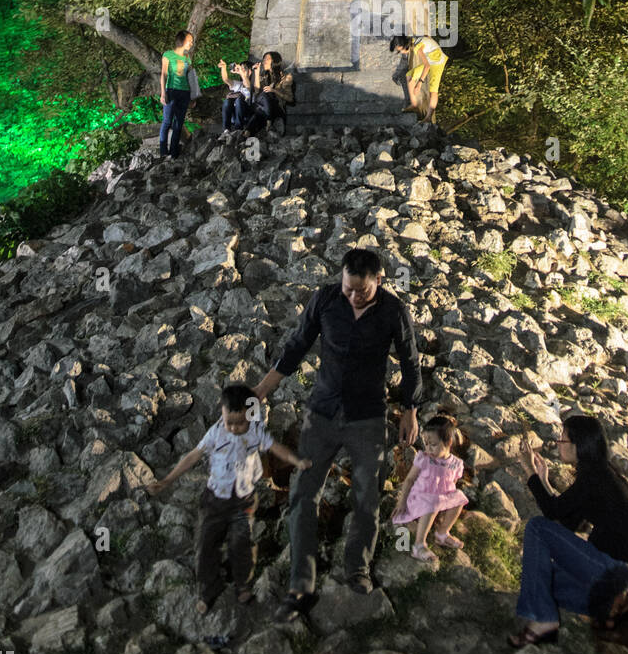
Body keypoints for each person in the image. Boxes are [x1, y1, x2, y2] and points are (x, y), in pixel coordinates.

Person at [250, 248, 422, 619]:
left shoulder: (394, 311)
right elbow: (296, 346)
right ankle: (301, 582)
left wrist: (410, 410)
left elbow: (410, 361)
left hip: (367, 418)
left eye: (362, 291)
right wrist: (260, 392)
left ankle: (357, 569)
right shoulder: (326, 299)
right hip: (322, 413)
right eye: (348, 289)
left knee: (366, 497)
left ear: (379, 280)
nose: (353, 296)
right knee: (303, 494)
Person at [147, 383, 310, 614]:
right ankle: (207, 590)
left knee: (241, 543)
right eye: (228, 422)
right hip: (214, 499)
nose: (233, 428)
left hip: (243, 501)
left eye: (239, 422)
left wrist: (297, 461)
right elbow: (193, 456)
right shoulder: (215, 432)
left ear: (248, 414)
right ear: (221, 413)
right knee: (205, 544)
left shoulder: (255, 432)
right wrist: (167, 480)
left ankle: (242, 583)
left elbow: (277, 449)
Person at [509, 415, 628, 648]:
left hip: (610, 568)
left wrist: (530, 471)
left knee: (537, 528)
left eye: (563, 438)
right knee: (540, 580)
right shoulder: (597, 473)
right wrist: (544, 481)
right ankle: (610, 606)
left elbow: (550, 513)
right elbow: (567, 521)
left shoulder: (595, 477)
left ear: (579, 444)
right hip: (612, 575)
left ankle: (544, 620)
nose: (558, 442)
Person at [392, 412, 469, 563]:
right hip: (420, 497)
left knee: (460, 497)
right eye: (426, 443)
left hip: (441, 498)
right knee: (432, 503)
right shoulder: (424, 459)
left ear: (448, 443)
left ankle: (442, 533)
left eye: (433, 444)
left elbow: (450, 483)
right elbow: (409, 480)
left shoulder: (455, 463)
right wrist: (401, 502)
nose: (428, 448)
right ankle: (419, 545)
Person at [390, 33, 448, 125]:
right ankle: (414, 105)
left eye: (400, 50)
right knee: (410, 75)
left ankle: (428, 117)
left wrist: (419, 83)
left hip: (437, 62)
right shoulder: (413, 40)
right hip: (430, 60)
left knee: (433, 90)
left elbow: (427, 66)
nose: (401, 53)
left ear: (404, 45)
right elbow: (426, 36)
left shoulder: (417, 47)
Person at [159, 29, 194, 159]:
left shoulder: (187, 57)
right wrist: (163, 93)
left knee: (179, 123)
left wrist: (192, 95)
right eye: (190, 41)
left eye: (192, 41)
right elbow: (163, 74)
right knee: (167, 121)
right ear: (182, 40)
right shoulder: (168, 55)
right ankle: (163, 152)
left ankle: (174, 154)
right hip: (171, 91)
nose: (191, 43)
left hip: (184, 92)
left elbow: (190, 76)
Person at [245, 51, 294, 134]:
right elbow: (257, 91)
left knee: (260, 104)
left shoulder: (286, 77)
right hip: (266, 108)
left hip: (277, 108)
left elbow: (290, 99)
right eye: (263, 58)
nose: (264, 61)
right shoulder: (265, 75)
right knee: (259, 108)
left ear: (274, 61)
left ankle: (267, 122)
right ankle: (247, 133)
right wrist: (256, 73)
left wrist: (274, 90)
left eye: (267, 59)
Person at [218, 57, 252, 135]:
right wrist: (223, 68)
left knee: (239, 100)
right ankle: (226, 130)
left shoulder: (253, 84)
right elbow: (226, 80)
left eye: (244, 69)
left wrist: (241, 73)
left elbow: (248, 86)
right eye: (241, 68)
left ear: (250, 71)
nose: (242, 70)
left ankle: (238, 129)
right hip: (236, 113)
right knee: (227, 101)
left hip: (247, 112)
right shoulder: (240, 84)